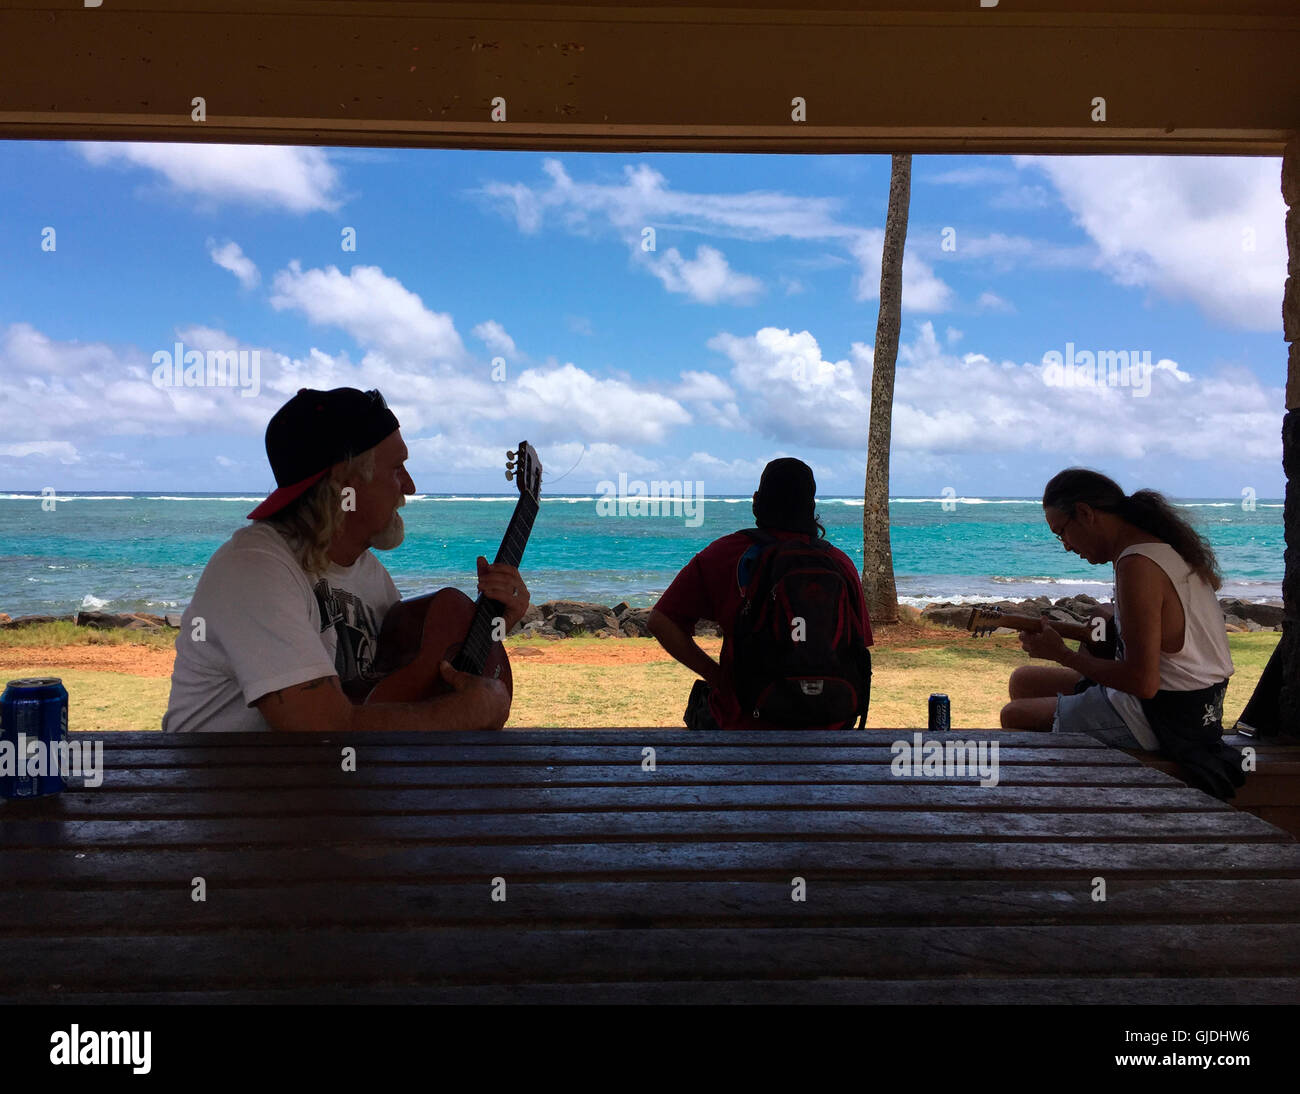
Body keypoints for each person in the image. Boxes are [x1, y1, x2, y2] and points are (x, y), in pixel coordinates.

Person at [162, 387, 529, 733]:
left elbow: (396, 689)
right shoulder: (253, 569)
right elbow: (322, 729)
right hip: (223, 794)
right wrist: (466, 711)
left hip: (312, 791)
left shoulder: (368, 575)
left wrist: (490, 628)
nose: (410, 486)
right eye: (396, 468)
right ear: (344, 485)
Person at [999, 468, 1243, 796]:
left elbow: (1142, 682)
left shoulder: (1137, 565)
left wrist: (1063, 655)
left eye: (1062, 533)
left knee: (1015, 715)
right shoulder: (1155, 549)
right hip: (1199, 706)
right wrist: (1105, 621)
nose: (1066, 547)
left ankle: (1064, 801)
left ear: (1085, 514)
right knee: (1023, 681)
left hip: (1165, 717)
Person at [648, 458, 873, 731]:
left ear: (757, 500)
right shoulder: (839, 563)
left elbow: (660, 621)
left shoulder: (726, 554)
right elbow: (859, 646)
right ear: (811, 507)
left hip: (745, 726)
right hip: (829, 726)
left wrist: (719, 678)